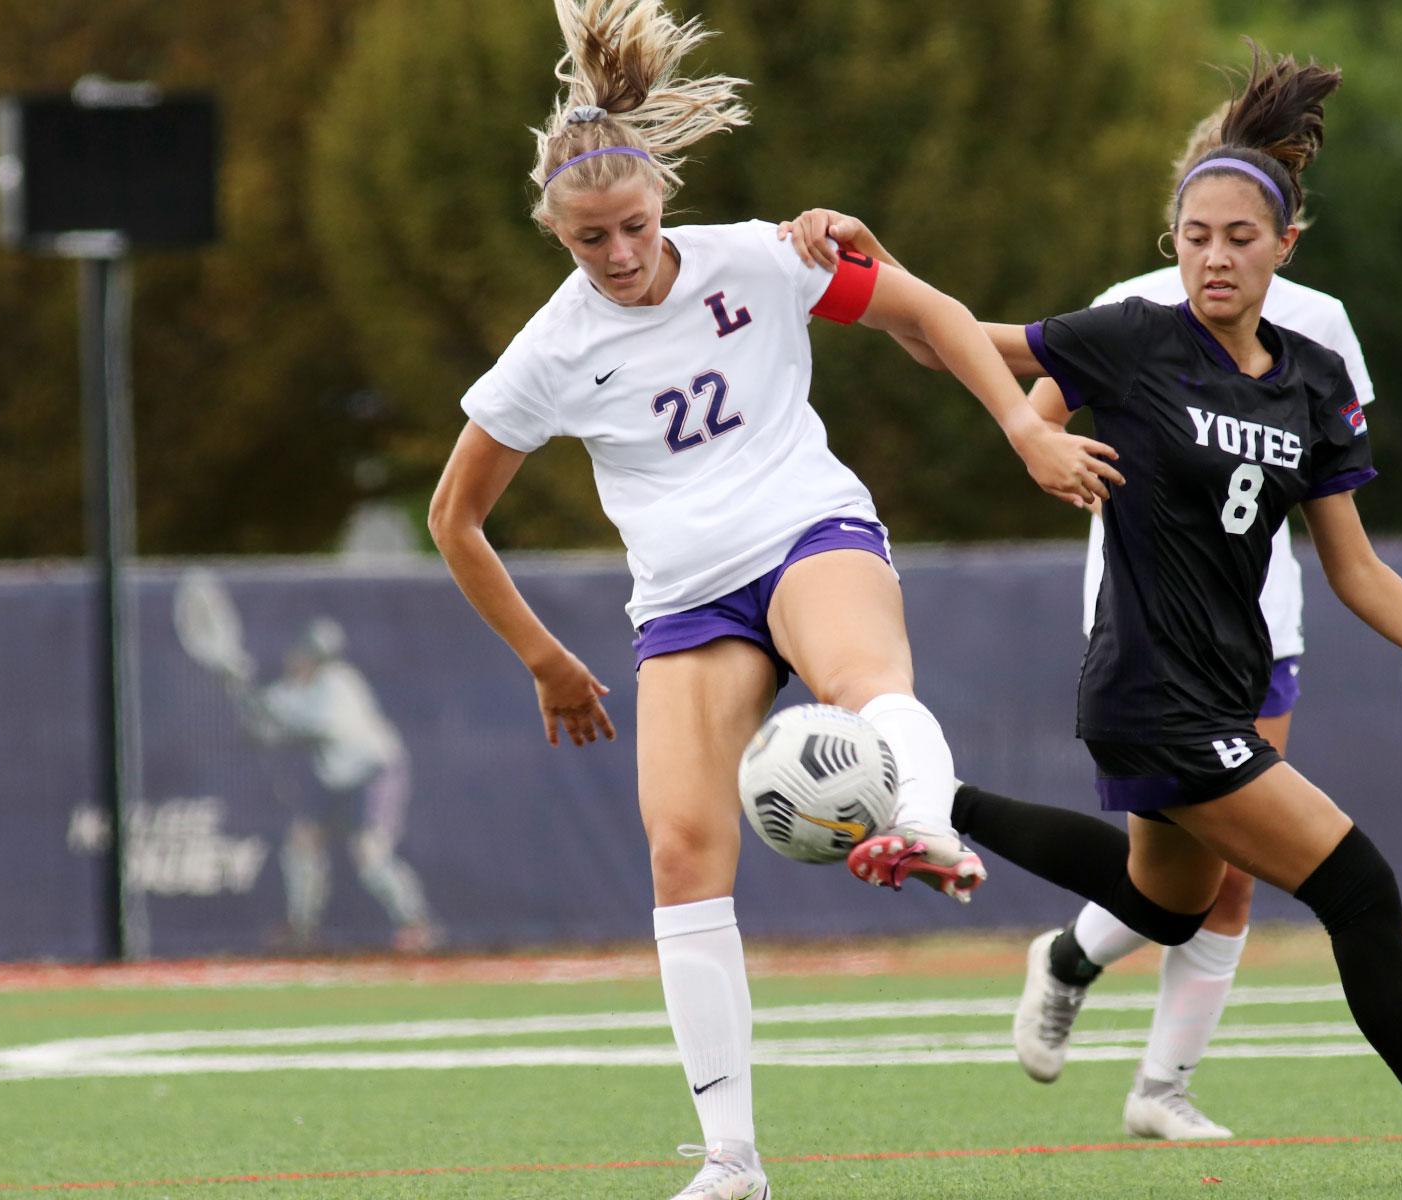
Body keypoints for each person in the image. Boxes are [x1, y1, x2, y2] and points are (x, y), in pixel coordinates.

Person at [778, 51, 1402, 1187]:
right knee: (1358, 887)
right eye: (1195, 233)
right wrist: (869, 272)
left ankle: (917, 799)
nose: (1214, 254)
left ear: (1285, 246)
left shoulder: (1312, 376)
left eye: (1240, 237)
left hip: (1227, 682)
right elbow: (955, 335)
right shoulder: (1136, 335)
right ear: (1175, 239)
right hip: (1149, 690)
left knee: (1166, 901)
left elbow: (1352, 568)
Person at [424, 4, 1116, 1197]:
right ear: (558, 233)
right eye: (591, 239)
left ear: (661, 204)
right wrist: (544, 657)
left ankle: (930, 827)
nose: (622, 253)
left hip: (806, 527)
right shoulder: (547, 351)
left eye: (635, 225)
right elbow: (456, 520)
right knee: (683, 852)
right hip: (686, 598)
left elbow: (928, 316)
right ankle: (732, 1161)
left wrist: (1019, 428)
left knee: (866, 682)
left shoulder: (759, 254)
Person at [1015, 53, 1368, 1142]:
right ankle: (1072, 959)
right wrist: (1043, 441)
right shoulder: (1134, 307)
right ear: (1186, 206)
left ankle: (1157, 1083)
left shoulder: (1321, 326)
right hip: (1144, 621)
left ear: (1282, 219)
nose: (1222, 239)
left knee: (1233, 877)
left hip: (1263, 624)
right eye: (1203, 219)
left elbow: (1327, 499)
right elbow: (1037, 396)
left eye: (1249, 215)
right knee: (1177, 867)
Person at [234, 618, 437, 952]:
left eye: (311, 656)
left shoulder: (339, 683)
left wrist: (268, 723)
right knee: (301, 842)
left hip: (374, 772)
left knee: (369, 854)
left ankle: (416, 923)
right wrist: (243, 692)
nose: (303, 661)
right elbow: (262, 718)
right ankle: (302, 928)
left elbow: (317, 729)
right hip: (335, 778)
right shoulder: (291, 689)